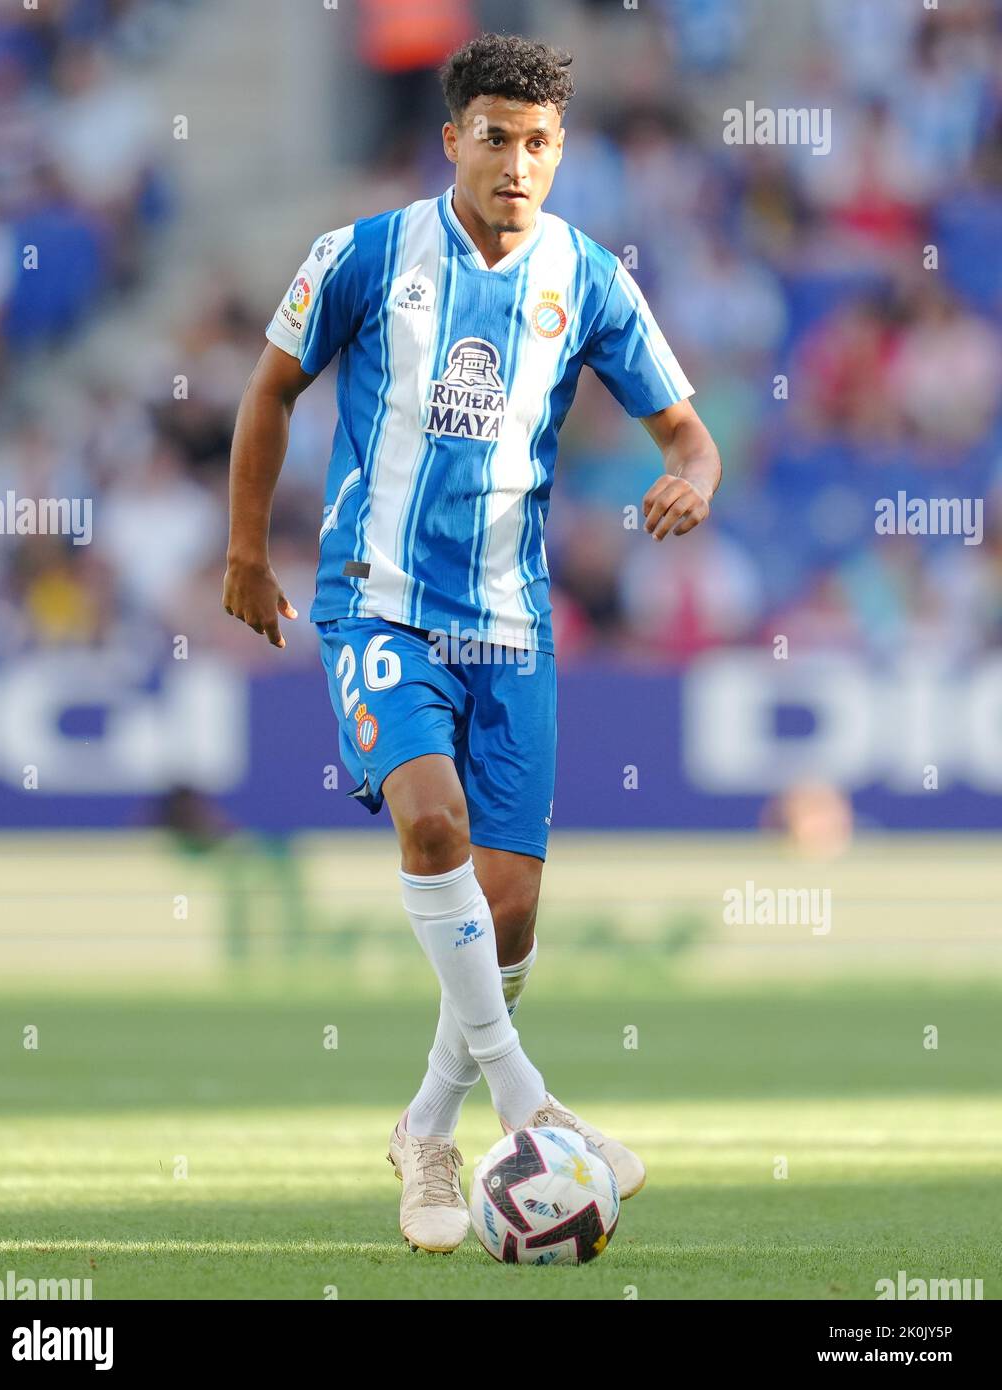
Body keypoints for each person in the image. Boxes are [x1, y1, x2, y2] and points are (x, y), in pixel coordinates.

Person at [223, 32, 721, 1253]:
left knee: (504, 918)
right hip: (375, 599)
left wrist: (691, 476)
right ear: (451, 139)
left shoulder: (589, 278)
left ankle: (426, 1128)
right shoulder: (365, 252)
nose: (515, 160)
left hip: (512, 628)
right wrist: (245, 552)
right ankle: (529, 1105)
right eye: (493, 135)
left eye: (538, 141)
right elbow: (270, 387)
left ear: (562, 151)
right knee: (431, 822)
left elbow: (686, 432)